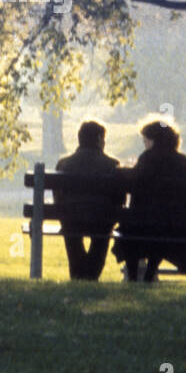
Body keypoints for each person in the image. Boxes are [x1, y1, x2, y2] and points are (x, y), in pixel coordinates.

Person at [113, 120, 186, 282]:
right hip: (177, 226)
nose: (145, 144)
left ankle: (133, 278)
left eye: (146, 140)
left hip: (144, 225)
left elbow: (134, 175)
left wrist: (121, 170)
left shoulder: (148, 158)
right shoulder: (185, 163)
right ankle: (149, 274)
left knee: (133, 230)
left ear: (154, 140)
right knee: (158, 230)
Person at [54, 120, 124, 280]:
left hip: (71, 220)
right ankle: (91, 275)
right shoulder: (112, 165)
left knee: (71, 228)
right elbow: (119, 199)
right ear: (99, 139)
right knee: (103, 230)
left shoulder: (64, 164)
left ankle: (78, 275)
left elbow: (58, 197)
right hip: (101, 221)